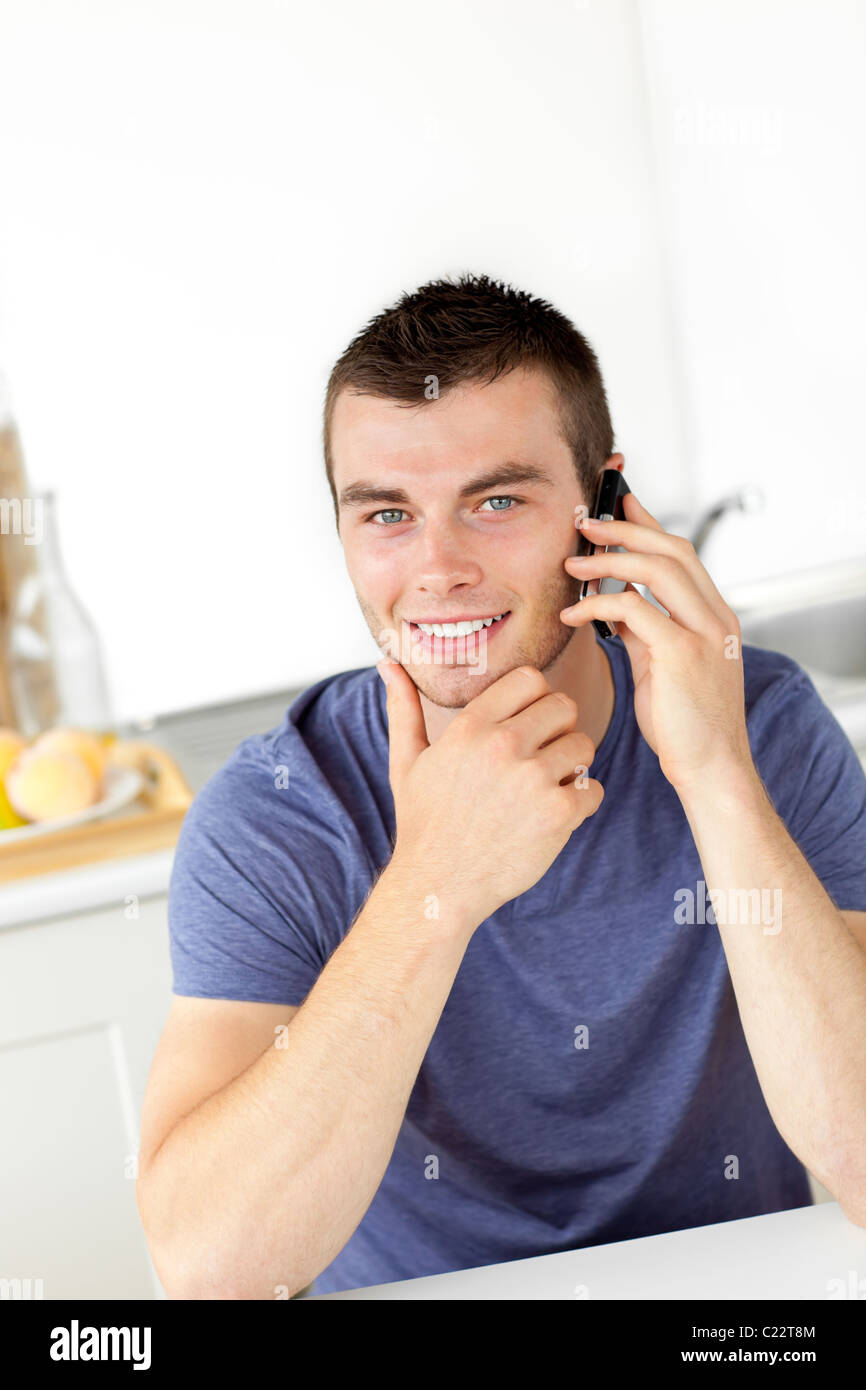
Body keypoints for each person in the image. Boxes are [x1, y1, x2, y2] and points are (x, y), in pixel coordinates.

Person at [137, 273, 866, 1300]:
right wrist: (432, 884)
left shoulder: (759, 729)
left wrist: (712, 776)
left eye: (494, 501)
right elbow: (208, 1271)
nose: (435, 567)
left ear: (603, 506)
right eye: (387, 512)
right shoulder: (276, 810)